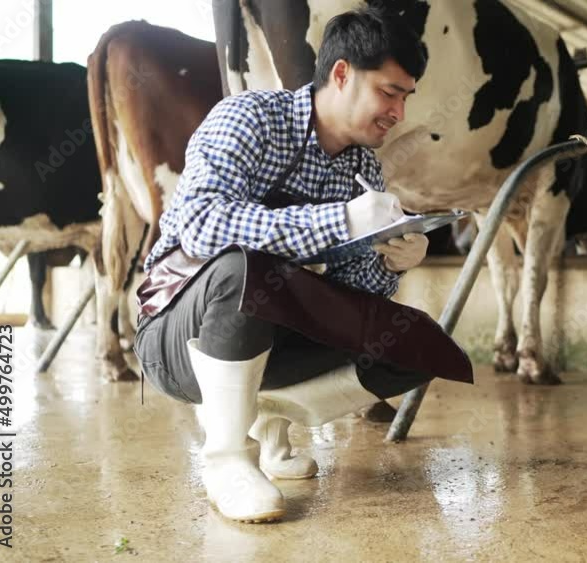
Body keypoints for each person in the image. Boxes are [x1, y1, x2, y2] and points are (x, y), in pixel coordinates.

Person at [132, 5, 472, 523]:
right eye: (389, 92)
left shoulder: (362, 169)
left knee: (414, 343)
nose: (399, 113)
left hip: (271, 336)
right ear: (340, 75)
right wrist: (340, 221)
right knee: (243, 271)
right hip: (177, 330)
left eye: (406, 97)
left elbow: (354, 294)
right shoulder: (248, 118)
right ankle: (226, 458)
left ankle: (268, 420)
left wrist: (394, 258)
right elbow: (201, 225)